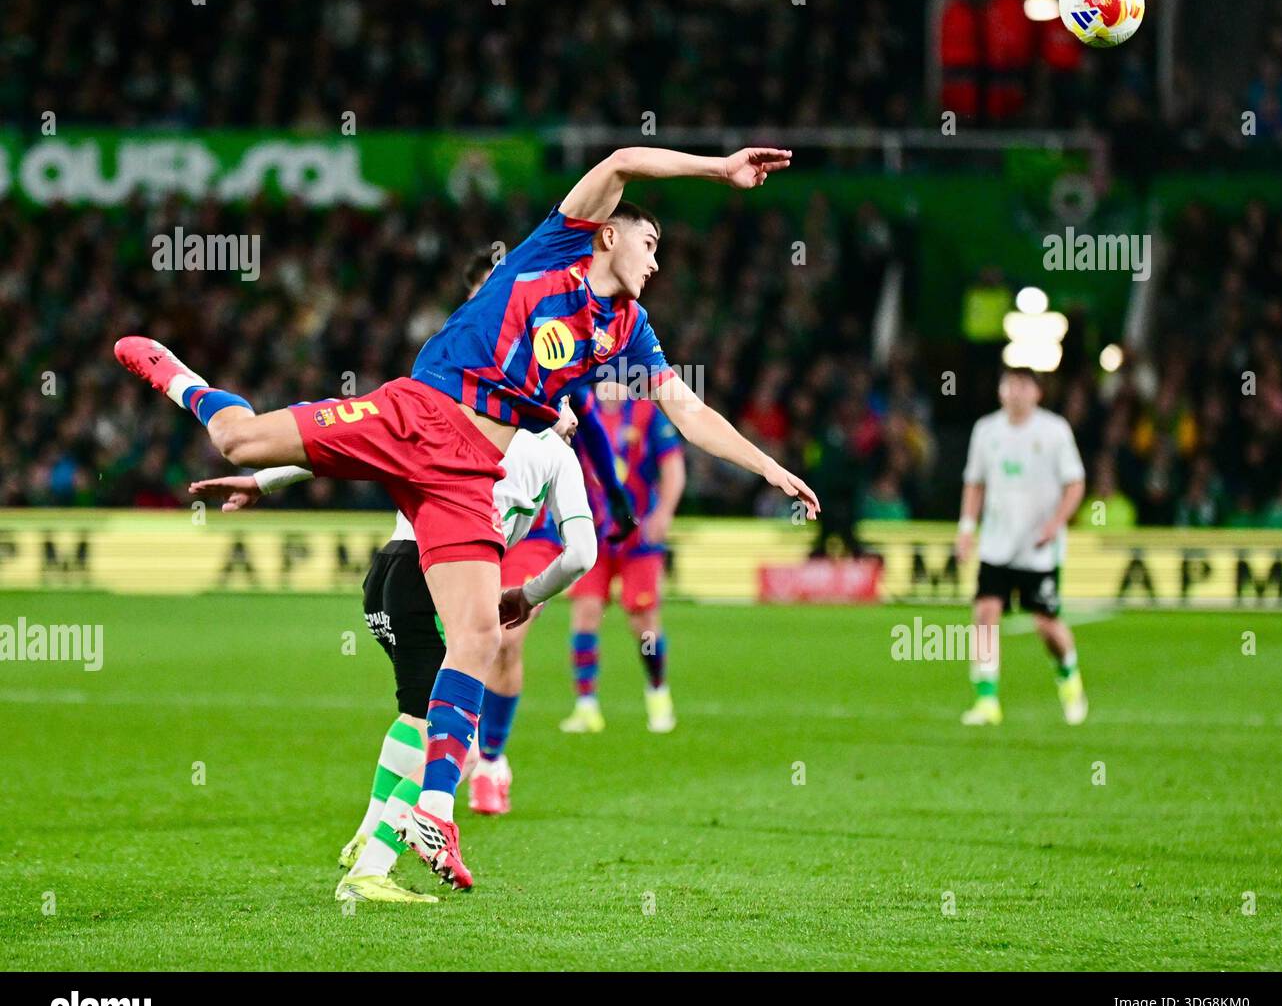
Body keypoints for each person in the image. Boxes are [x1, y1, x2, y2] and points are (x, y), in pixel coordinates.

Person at [114, 143, 820, 892]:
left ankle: (436, 809)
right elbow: (620, 160)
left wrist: (772, 468)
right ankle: (174, 370)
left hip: (467, 476)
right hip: (418, 414)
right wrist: (719, 170)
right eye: (650, 244)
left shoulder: (628, 333)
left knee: (481, 633)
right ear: (610, 232)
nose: (656, 261)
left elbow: (688, 412)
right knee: (238, 436)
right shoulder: (561, 244)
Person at [190, 395, 595, 903]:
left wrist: (262, 480)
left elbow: (340, 440)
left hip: (387, 576)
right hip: (428, 580)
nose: (575, 416)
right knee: (458, 750)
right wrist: (527, 595)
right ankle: (370, 870)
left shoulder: (446, 419)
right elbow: (581, 553)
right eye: (565, 401)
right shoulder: (557, 457)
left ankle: (365, 832)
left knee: (416, 716)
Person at [954, 367, 1088, 726]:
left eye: (1023, 385)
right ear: (1000, 391)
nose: (1015, 392)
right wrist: (967, 529)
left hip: (1038, 547)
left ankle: (1069, 676)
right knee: (985, 615)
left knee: (1047, 626)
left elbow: (1075, 484)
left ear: (1037, 393)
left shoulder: (1054, 431)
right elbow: (975, 483)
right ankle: (986, 701)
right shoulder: (986, 431)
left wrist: (1056, 523)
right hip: (996, 544)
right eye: (1009, 384)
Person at [562, 387, 686, 734]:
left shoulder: (648, 415)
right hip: (594, 534)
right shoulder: (580, 412)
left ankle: (658, 695)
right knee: (585, 613)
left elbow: (673, 467)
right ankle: (586, 706)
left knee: (644, 623)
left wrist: (664, 514)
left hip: (639, 535)